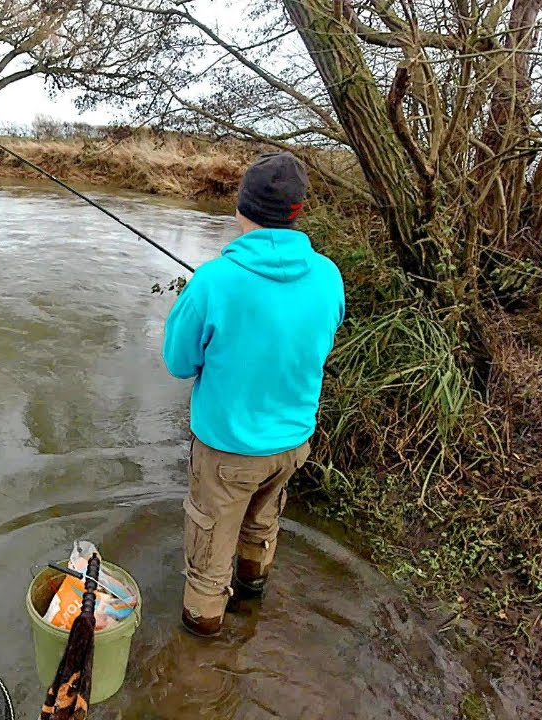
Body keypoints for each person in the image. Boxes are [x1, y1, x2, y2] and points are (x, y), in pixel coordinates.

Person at [162, 151, 345, 637]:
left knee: (208, 555)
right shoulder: (328, 275)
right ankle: (253, 593)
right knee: (260, 528)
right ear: (298, 211)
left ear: (240, 208)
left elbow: (179, 363)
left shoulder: (214, 280)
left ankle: (201, 654)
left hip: (228, 451)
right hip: (291, 446)